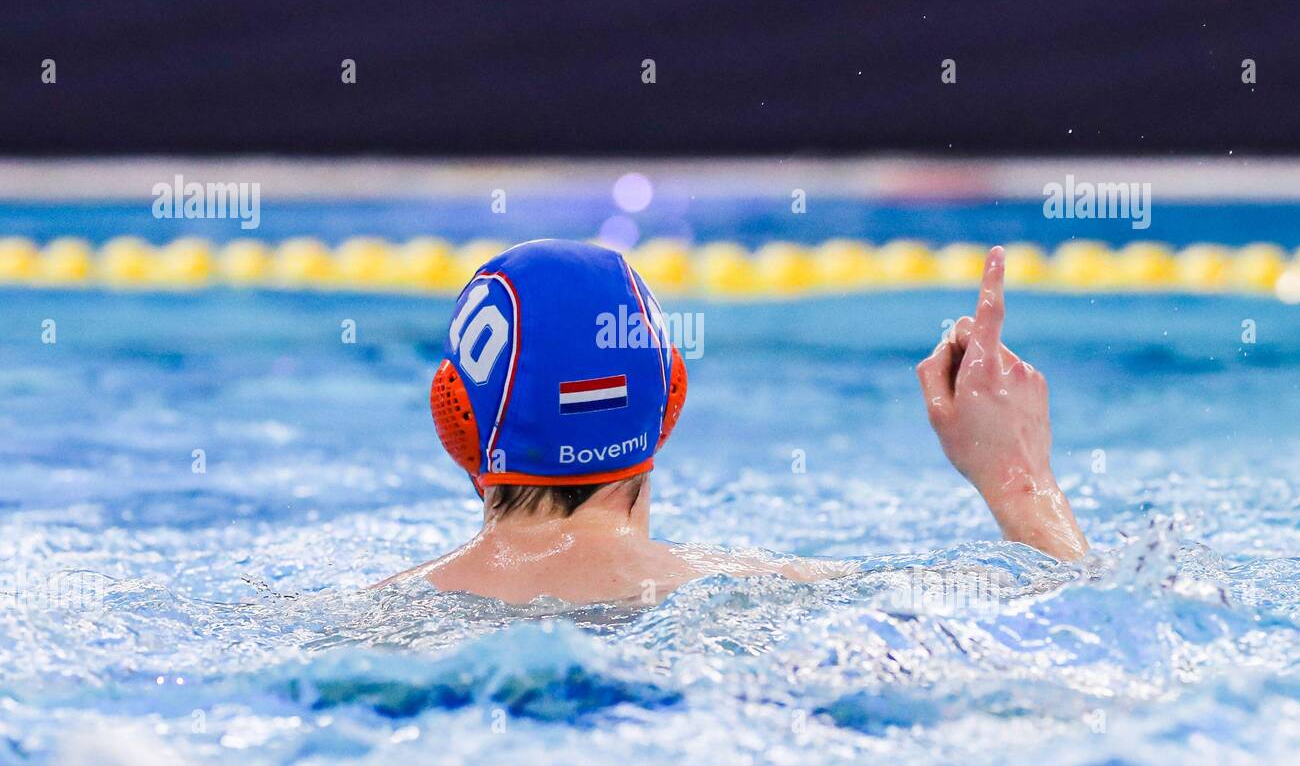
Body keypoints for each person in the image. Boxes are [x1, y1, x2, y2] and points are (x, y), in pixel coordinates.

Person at [379, 239, 1087, 605]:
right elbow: (1080, 624)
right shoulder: (771, 594)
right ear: (669, 404)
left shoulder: (367, 623)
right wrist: (1018, 480)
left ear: (460, 425)